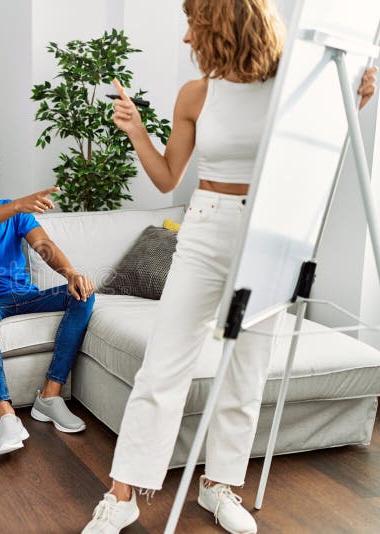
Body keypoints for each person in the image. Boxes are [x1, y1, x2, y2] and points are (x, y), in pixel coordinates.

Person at [82, 1, 378, 533]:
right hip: (205, 229)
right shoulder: (197, 93)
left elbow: (315, 154)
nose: (186, 39)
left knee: (246, 371)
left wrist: (350, 104)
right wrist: (134, 130)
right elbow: (169, 178)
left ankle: (219, 486)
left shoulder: (293, 84)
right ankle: (123, 493)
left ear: (223, 26)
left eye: (194, 26)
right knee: (164, 364)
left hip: (269, 234)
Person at [0, 148, 96, 456]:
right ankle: (5, 412)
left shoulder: (17, 215)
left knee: (84, 293)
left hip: (26, 295)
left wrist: (71, 273)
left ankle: (50, 396)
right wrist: (18, 204)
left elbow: (44, 246)